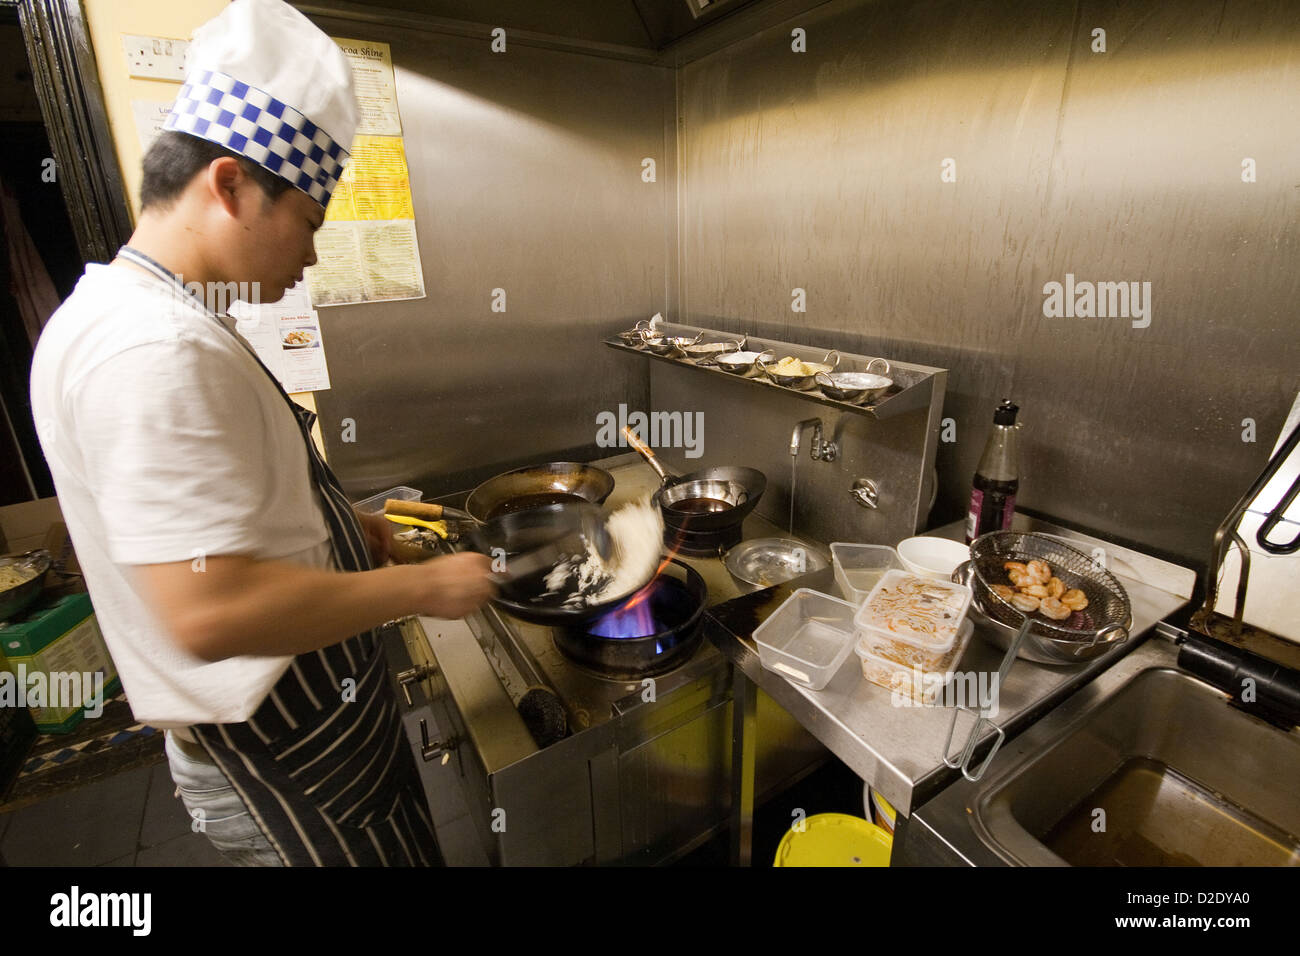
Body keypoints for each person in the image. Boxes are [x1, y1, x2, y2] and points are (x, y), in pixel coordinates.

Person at [29, 0, 494, 866]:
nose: (311, 257)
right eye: (309, 223)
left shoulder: (134, 313)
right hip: (290, 757)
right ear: (231, 183)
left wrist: (343, 530)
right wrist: (422, 587)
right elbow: (209, 611)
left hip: (314, 733)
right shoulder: (151, 348)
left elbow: (212, 531)